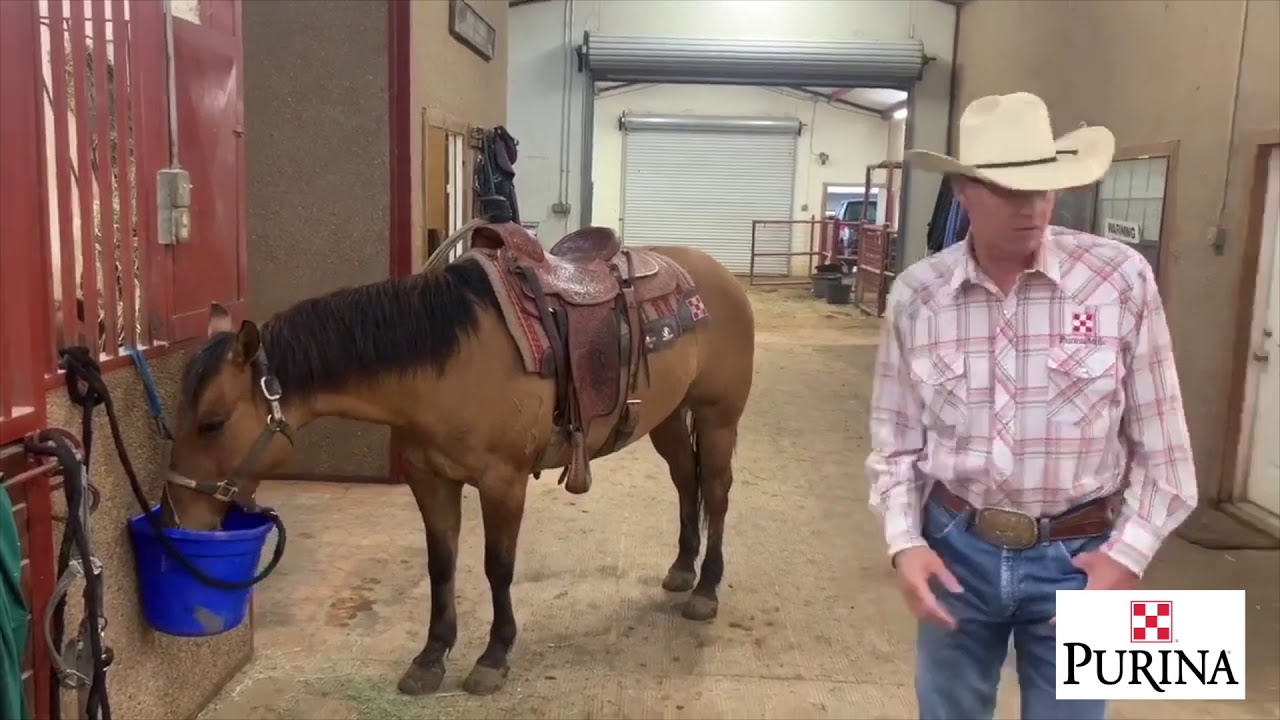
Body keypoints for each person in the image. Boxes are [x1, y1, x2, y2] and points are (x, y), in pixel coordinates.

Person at [865, 92, 1198, 720]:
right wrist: (905, 543)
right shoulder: (918, 296)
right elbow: (895, 444)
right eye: (1011, 190)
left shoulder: (1119, 280)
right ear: (963, 191)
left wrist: (1128, 556)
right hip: (955, 548)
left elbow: (1167, 454)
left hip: (1081, 556)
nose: (1036, 206)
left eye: (1046, 188)